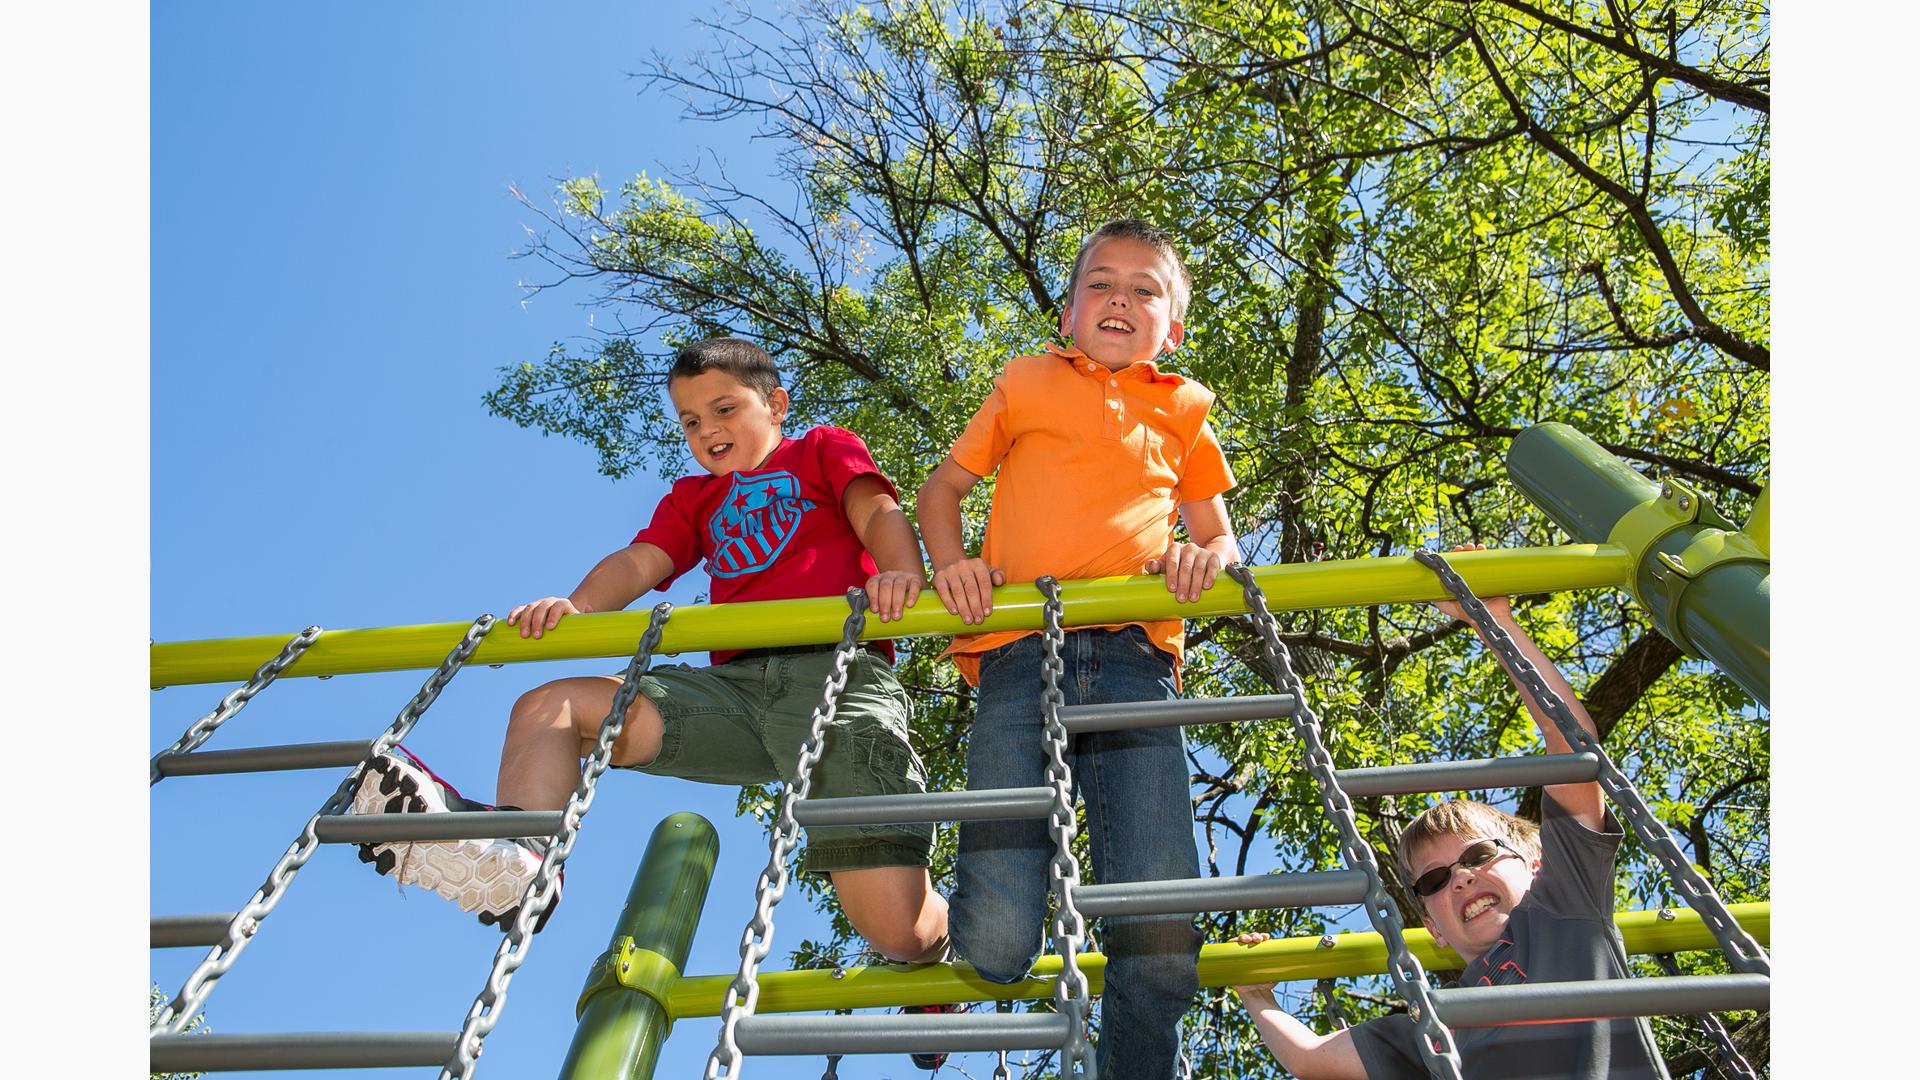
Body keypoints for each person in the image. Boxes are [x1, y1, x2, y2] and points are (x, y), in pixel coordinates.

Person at [350, 337, 949, 968]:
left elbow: (875, 510)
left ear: (775, 405)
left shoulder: (821, 449)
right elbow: (642, 559)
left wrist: (901, 574)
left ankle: (948, 936)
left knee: (896, 931)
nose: (707, 430)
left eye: (724, 410)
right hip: (735, 691)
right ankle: (524, 855)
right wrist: (579, 606)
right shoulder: (694, 498)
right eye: (690, 421)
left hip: (837, 676)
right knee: (550, 706)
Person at [916, 218, 1240, 1079]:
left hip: (1135, 660)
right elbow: (942, 489)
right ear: (1067, 314)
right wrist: (952, 566)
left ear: (1173, 329)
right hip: (1019, 653)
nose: (1120, 299)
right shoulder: (1026, 382)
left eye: (1145, 289)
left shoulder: (1184, 408)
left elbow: (1219, 538)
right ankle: (938, 946)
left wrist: (1202, 557)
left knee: (1161, 932)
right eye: (1100, 283)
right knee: (998, 942)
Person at [1231, 553, 1671, 1078]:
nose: (1460, 877)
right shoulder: (1439, 1024)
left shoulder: (1564, 909)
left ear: (1536, 865)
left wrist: (1494, 620)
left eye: (1479, 855)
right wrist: (1256, 994)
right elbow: (1312, 1058)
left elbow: (1570, 744)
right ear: (1432, 929)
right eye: (1435, 880)